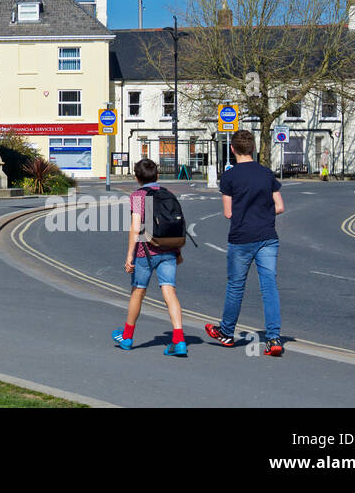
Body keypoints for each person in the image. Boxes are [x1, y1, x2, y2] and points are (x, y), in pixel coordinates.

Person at [206, 129, 286, 357]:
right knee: (269, 287)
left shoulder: (229, 177)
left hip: (241, 238)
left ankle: (227, 333)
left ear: (233, 149)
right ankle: (274, 339)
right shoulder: (266, 173)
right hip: (268, 237)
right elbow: (280, 206)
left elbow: (228, 213)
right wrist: (264, 214)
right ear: (253, 148)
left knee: (236, 286)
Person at [113, 159, 187, 356]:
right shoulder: (168, 194)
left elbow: (136, 228)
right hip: (168, 250)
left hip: (145, 253)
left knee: (138, 292)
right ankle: (179, 340)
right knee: (169, 292)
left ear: (137, 178)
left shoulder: (138, 196)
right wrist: (177, 251)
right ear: (158, 176)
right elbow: (174, 225)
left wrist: (129, 255)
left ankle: (127, 337)